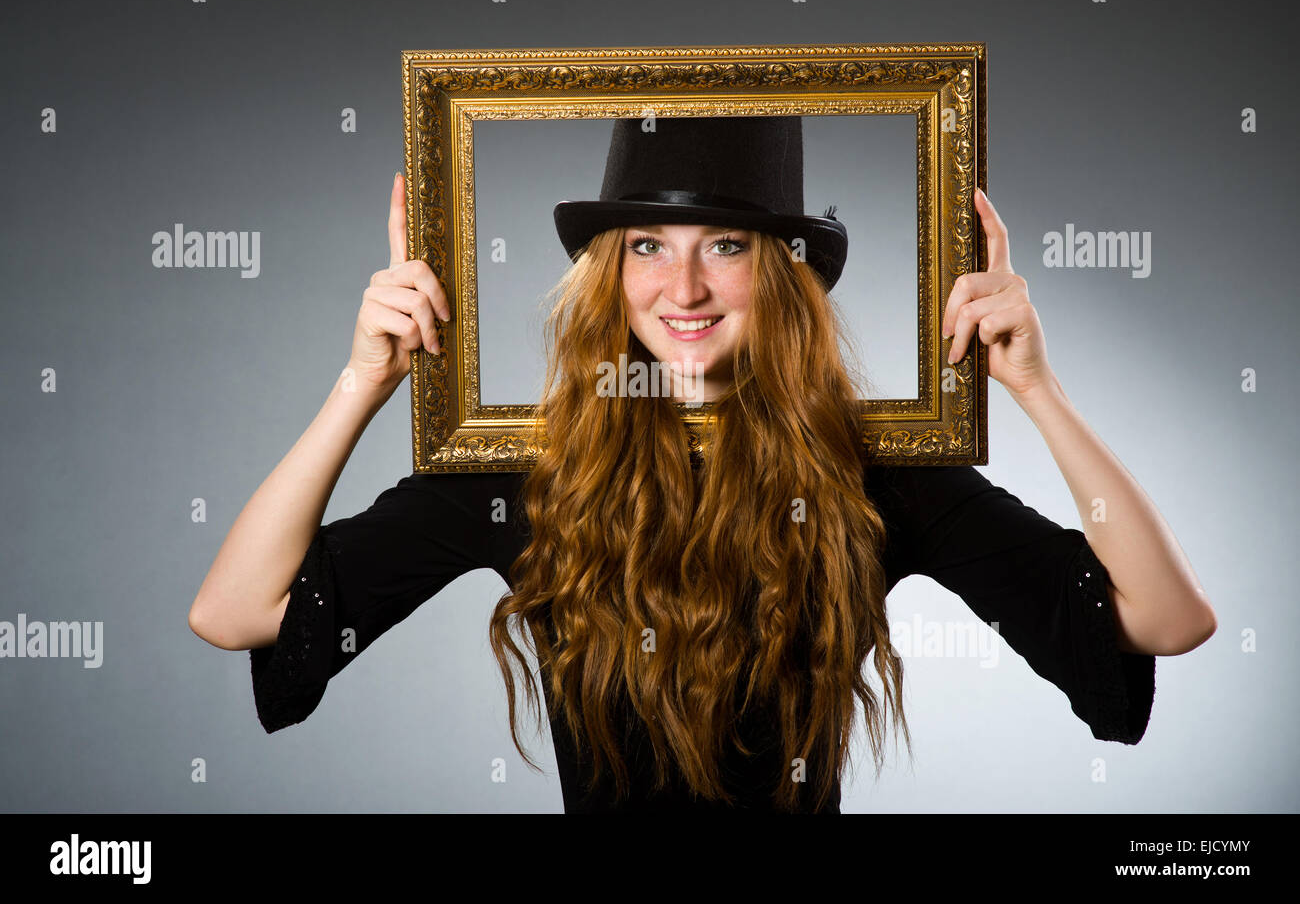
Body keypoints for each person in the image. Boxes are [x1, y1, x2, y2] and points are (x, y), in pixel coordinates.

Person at [188, 116, 1215, 814]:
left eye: (723, 244)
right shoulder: (524, 476)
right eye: (644, 246)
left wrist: (1035, 387)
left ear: (777, 273)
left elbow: (1169, 620)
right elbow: (234, 612)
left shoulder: (878, 478)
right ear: (609, 274)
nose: (681, 283)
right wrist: (361, 384)